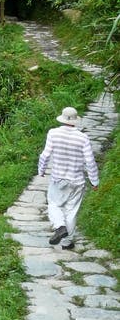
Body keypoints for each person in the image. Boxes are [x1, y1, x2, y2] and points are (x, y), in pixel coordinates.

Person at [38, 106, 99, 250]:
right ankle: (67, 242)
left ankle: (59, 227)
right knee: (71, 211)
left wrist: (41, 170)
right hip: (77, 181)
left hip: (58, 179)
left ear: (62, 118)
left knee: (54, 204)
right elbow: (90, 161)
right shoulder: (83, 138)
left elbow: (45, 155)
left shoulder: (53, 133)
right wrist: (94, 181)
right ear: (75, 120)